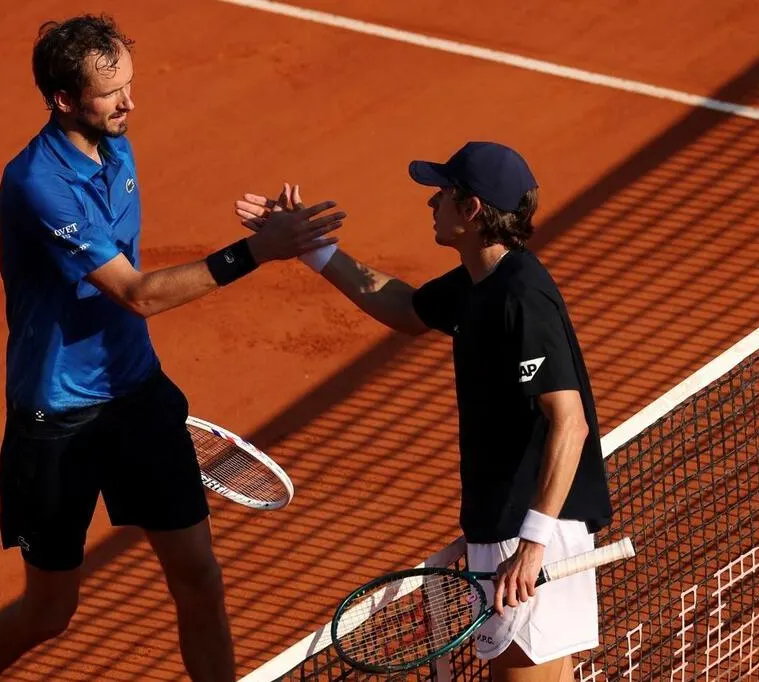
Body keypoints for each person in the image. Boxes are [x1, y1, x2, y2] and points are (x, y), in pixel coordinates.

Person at [0, 14, 344, 682]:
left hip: (137, 396)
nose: (130, 103)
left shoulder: (116, 147)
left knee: (199, 577)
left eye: (130, 83)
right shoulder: (38, 184)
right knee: (50, 611)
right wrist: (257, 252)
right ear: (66, 100)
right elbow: (136, 294)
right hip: (58, 421)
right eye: (111, 93)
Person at [235, 142, 612, 682]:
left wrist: (530, 546)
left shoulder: (521, 297)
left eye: (442, 193)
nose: (430, 203)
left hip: (532, 534)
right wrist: (310, 249)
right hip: (506, 526)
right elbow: (405, 308)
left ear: (471, 209)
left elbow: (569, 423)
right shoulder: (480, 283)